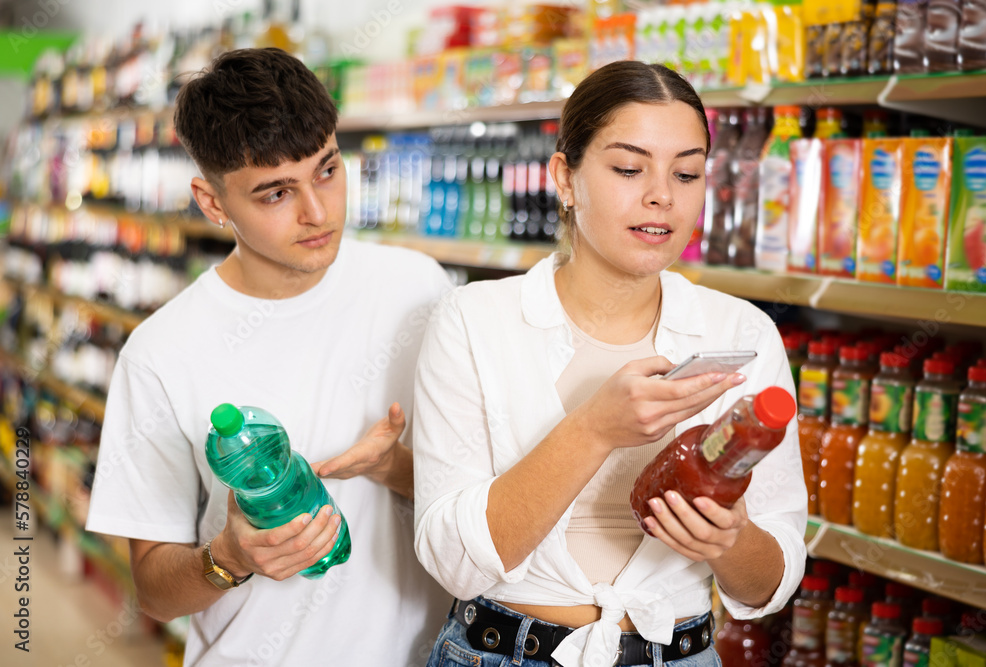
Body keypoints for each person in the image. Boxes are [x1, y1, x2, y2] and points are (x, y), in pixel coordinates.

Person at [412, 60, 807, 667]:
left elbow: (767, 585)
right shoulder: (471, 320)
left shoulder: (742, 332)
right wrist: (593, 429)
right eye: (628, 168)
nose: (661, 195)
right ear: (564, 179)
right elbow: (453, 561)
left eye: (688, 172)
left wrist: (730, 543)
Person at [85, 48, 452, 666]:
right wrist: (227, 559)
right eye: (276, 192)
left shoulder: (418, 286)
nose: (318, 212)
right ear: (212, 204)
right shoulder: (160, 352)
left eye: (328, 170)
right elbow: (153, 590)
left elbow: (475, 495)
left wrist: (394, 468)